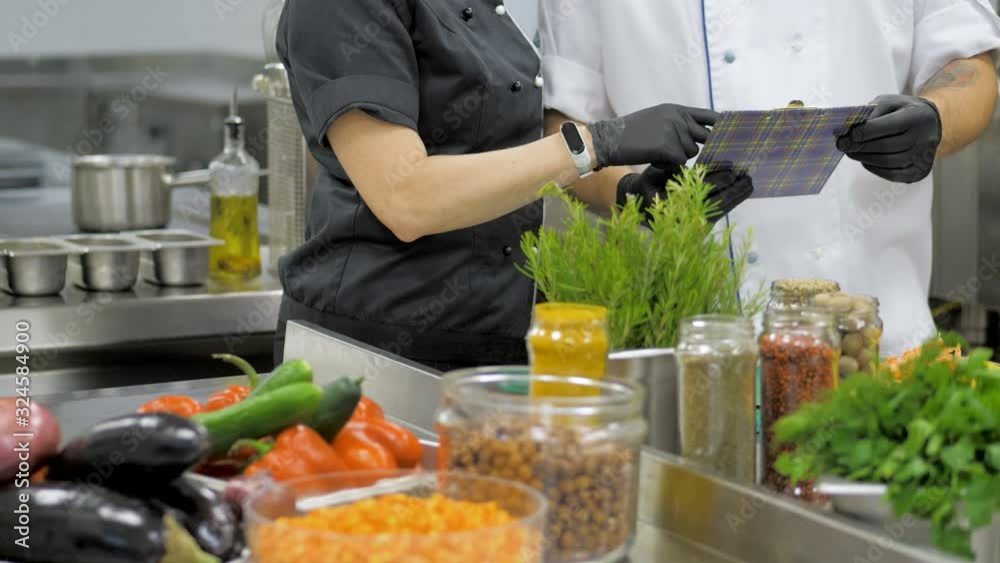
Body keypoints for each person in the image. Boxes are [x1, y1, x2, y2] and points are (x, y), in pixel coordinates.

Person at [271, 0, 754, 370]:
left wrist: (626, 191)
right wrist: (597, 141)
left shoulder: (485, 9)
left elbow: (513, 139)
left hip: (492, 338)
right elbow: (406, 198)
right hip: (371, 351)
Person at [539, 0, 1000, 356]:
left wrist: (934, 121)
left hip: (873, 337)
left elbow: (969, 71)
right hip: (685, 340)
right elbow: (565, 124)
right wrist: (627, 195)